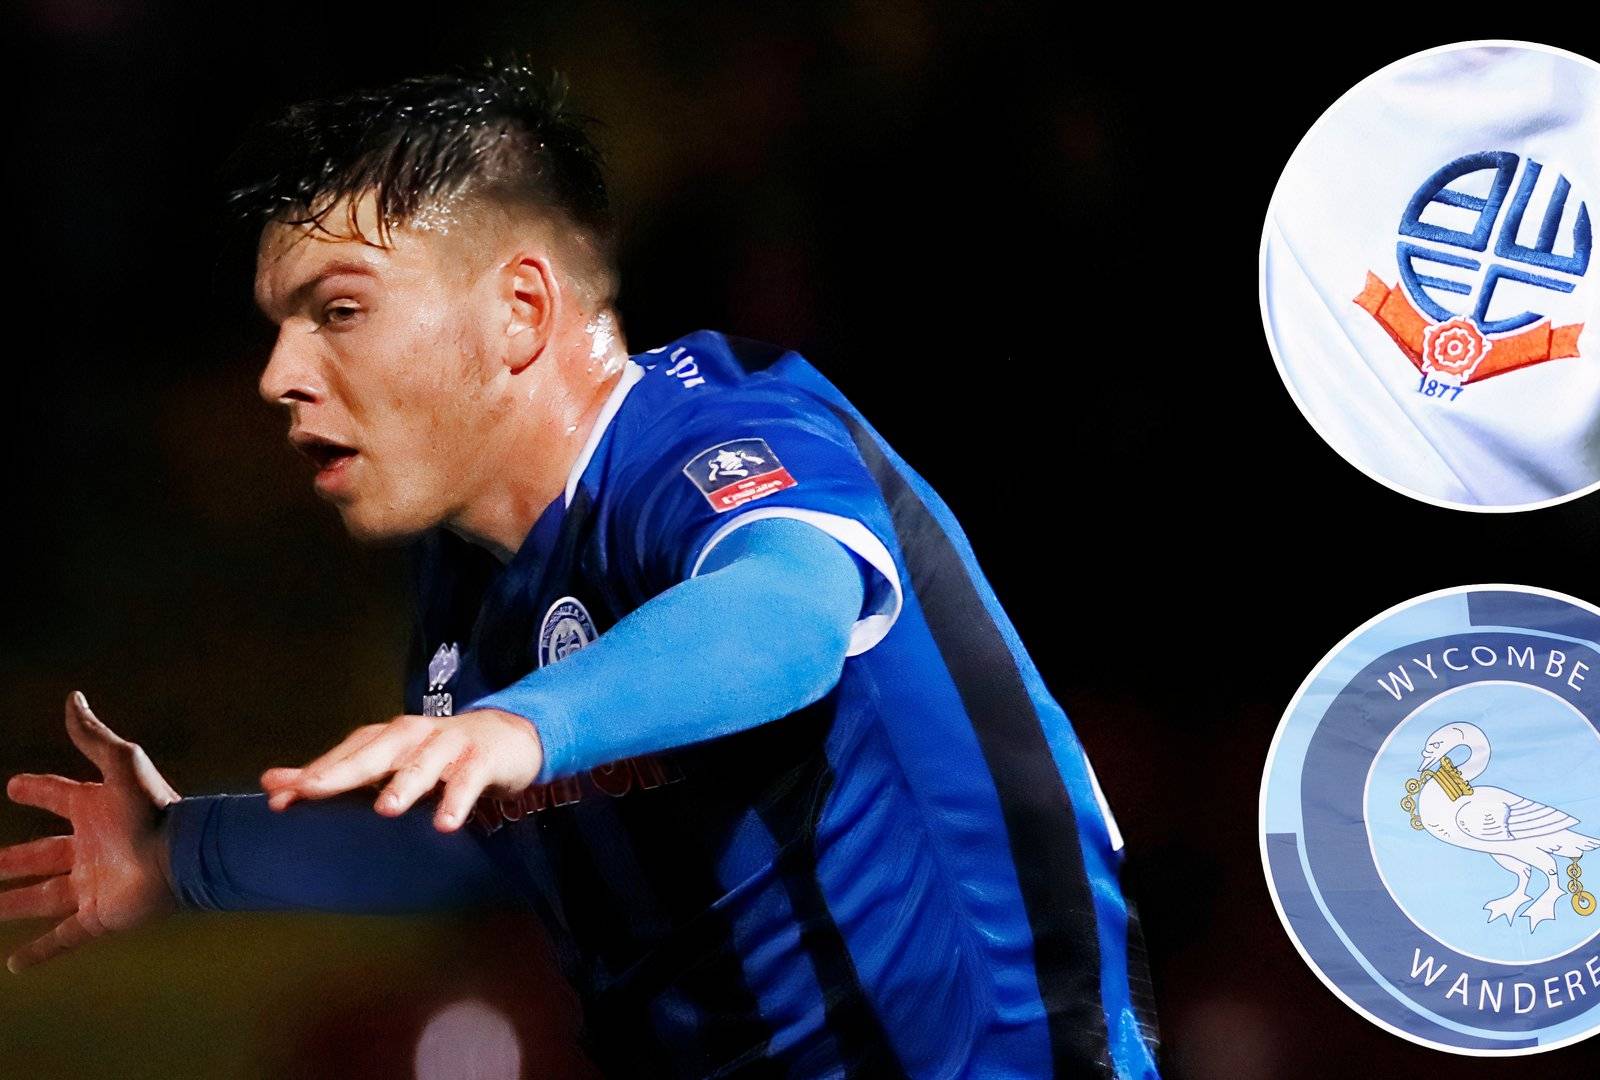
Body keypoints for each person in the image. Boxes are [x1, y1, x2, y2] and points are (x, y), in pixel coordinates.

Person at [0, 62, 1161, 1078]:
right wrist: (183, 852)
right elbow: (469, 834)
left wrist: (521, 726)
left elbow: (789, 613)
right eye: (280, 324)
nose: (278, 375)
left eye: (339, 311)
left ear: (518, 309)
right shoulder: (467, 579)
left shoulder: (713, 426)